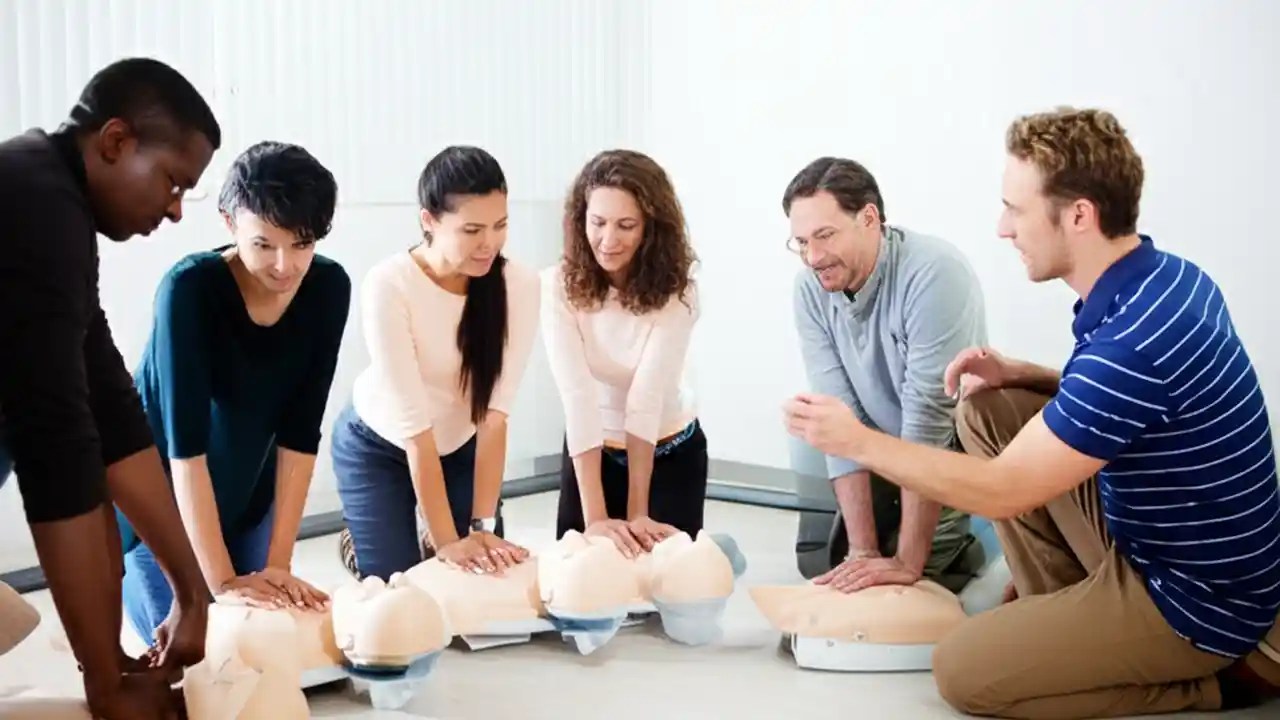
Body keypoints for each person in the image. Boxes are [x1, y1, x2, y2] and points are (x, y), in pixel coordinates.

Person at [783, 107, 1280, 717]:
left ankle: (1216, 682)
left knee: (964, 670)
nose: (1002, 227)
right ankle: (1071, 617)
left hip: (1194, 602)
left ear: (1078, 216)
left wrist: (855, 439)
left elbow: (999, 493)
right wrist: (1031, 373)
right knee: (991, 410)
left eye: (1015, 209)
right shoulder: (1171, 279)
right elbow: (1143, 402)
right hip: (1159, 542)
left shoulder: (1130, 346)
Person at [0, 57, 219, 718]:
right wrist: (105, 684)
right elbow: (58, 454)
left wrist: (193, 592)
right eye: (174, 183)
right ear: (117, 142)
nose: (177, 211)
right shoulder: (34, 203)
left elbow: (112, 415)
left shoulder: (52, 203)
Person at [118, 140, 350, 645]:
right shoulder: (188, 290)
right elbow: (184, 450)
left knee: (280, 639)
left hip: (246, 494)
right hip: (158, 508)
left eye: (303, 243)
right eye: (264, 244)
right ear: (229, 223)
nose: (285, 266)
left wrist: (279, 565)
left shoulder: (330, 289)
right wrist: (222, 583)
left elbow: (300, 434)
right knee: (205, 647)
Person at [332, 145, 539, 581]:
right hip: (382, 444)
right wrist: (449, 548)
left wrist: (480, 529)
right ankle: (362, 535)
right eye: (472, 229)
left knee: (482, 572)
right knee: (404, 587)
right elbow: (416, 434)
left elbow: (494, 419)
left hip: (461, 446)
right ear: (428, 221)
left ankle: (430, 531)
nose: (490, 243)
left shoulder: (518, 284)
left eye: (500, 226)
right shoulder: (389, 285)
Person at [784, 157, 989, 595]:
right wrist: (862, 551)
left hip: (947, 452)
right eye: (801, 242)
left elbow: (928, 423)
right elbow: (839, 416)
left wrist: (908, 563)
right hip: (877, 448)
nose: (813, 257)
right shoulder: (810, 289)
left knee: (915, 585)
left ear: (869, 219)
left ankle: (964, 545)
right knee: (846, 571)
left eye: (825, 236)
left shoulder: (934, 272)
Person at [542, 149, 707, 558]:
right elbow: (578, 397)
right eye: (597, 223)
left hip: (667, 451)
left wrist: (638, 514)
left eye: (626, 225)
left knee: (667, 583)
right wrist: (595, 519)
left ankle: (721, 553)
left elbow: (645, 398)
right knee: (580, 577)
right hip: (592, 449)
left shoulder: (678, 292)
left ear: (651, 229)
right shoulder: (555, 287)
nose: (608, 240)